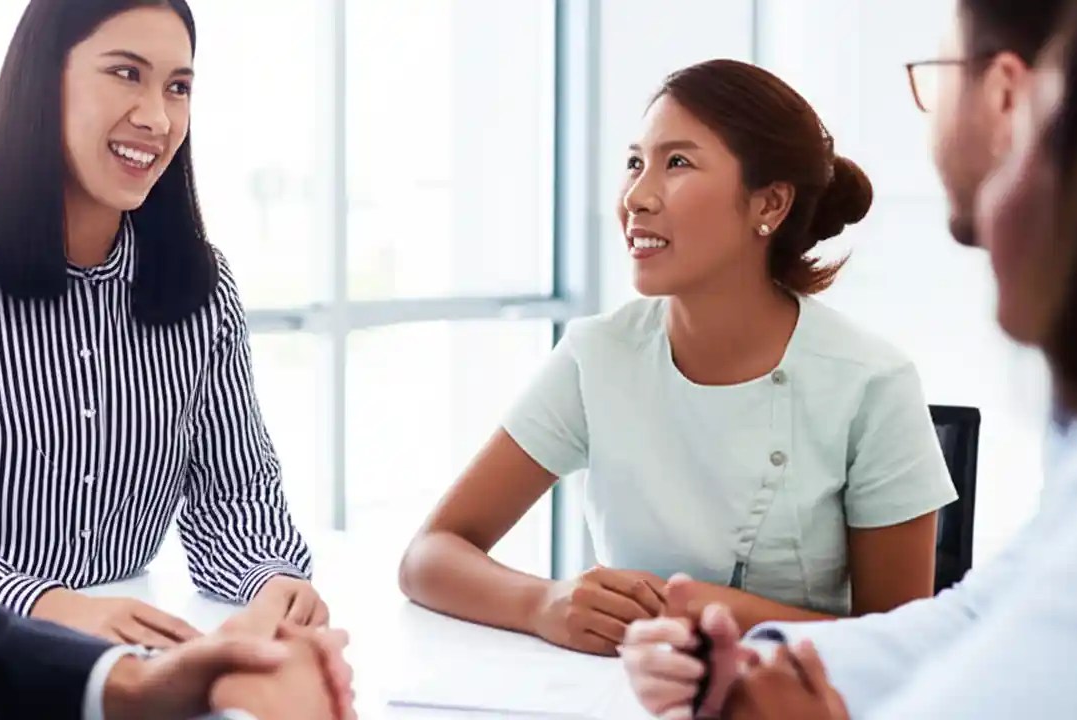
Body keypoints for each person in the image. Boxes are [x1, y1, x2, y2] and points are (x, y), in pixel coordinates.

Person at [0, 0, 355, 718]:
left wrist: (270, 583)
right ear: (43, 82)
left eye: (178, 86)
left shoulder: (201, 284)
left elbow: (235, 496)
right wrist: (46, 604)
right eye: (125, 74)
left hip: (156, 645)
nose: (157, 118)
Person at [620, 0, 1077, 717]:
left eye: (938, 76)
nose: (639, 197)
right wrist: (763, 660)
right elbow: (984, 620)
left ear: (1006, 97)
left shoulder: (869, 377)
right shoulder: (609, 347)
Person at [400, 58, 958, 657]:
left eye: (678, 163)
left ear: (768, 205)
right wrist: (543, 604)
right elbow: (429, 555)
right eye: (636, 163)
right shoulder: (599, 356)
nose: (636, 197)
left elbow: (904, 646)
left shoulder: (872, 383)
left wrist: (720, 613)